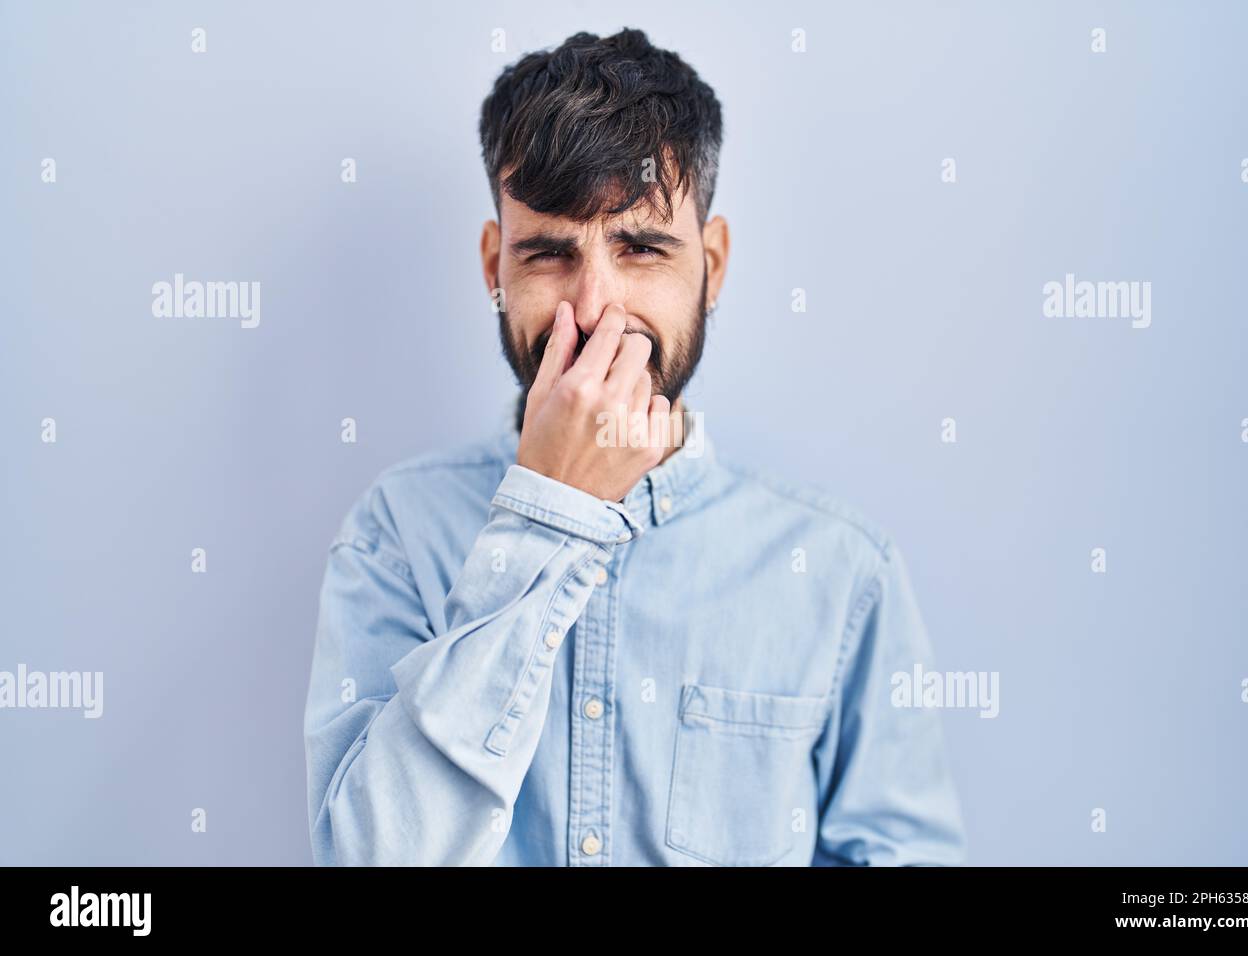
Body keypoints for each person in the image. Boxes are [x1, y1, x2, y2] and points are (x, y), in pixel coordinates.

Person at [303, 27, 966, 866]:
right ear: (494, 269)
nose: (597, 308)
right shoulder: (395, 536)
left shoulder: (842, 573)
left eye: (641, 247)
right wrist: (548, 513)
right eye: (548, 253)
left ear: (712, 267)